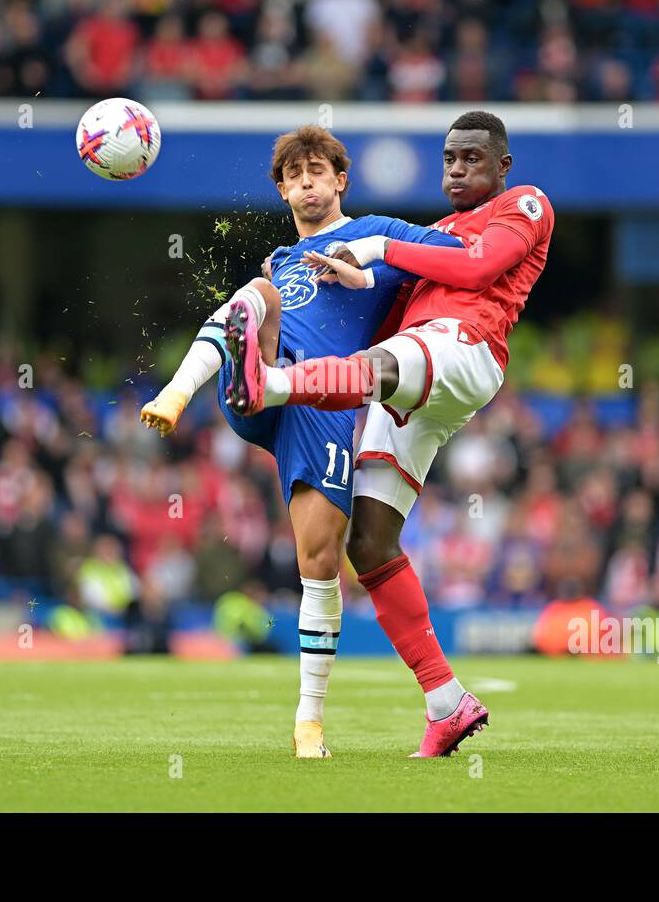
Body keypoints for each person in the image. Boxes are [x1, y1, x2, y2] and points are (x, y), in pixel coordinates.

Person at [226, 111, 554, 757]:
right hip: (420, 372)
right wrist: (340, 280)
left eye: (472, 159)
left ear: (503, 166)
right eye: (450, 160)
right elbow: (387, 311)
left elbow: (478, 268)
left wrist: (374, 249)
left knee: (377, 369)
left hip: (463, 350)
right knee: (370, 545)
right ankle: (447, 703)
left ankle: (268, 385)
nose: (457, 170)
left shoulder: (525, 203)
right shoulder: (433, 232)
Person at [139, 125, 462, 757]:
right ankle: (179, 393)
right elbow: (268, 288)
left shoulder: (379, 235)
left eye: (319, 171)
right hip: (264, 387)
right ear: (283, 190)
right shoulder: (282, 263)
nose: (307, 182)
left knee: (317, 564)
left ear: (341, 180)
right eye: (295, 175)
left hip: (325, 406)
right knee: (255, 295)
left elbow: (452, 251)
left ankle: (308, 720)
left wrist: (371, 275)